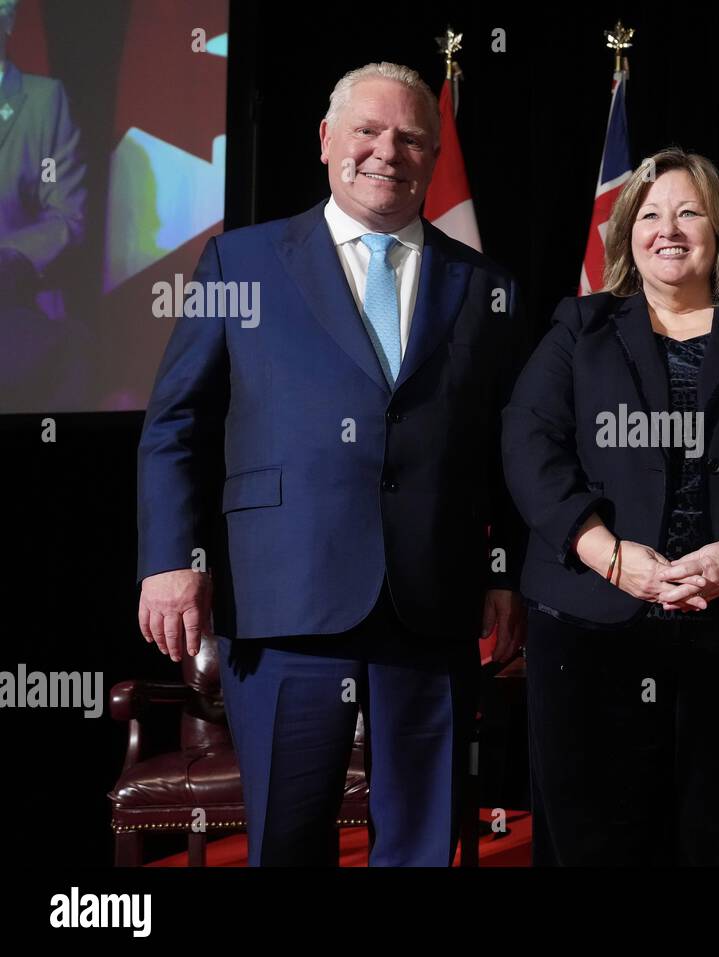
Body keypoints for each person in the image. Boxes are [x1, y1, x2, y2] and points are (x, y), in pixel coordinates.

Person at [135, 62, 526, 866]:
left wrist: (504, 568)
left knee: (423, 843)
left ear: (433, 154)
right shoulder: (236, 264)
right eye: (368, 131)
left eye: (411, 136)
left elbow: (508, 440)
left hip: (433, 602)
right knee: (285, 837)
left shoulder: (485, 285)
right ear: (325, 142)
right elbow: (178, 422)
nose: (389, 150)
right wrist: (170, 559)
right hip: (285, 597)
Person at [503, 147, 719, 865]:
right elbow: (528, 443)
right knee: (590, 845)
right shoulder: (581, 324)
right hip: (590, 628)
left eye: (689, 211)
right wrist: (609, 555)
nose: (670, 227)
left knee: (717, 839)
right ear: (627, 231)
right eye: (651, 213)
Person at [0, 0, 89, 410]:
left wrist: (10, 257)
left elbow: (65, 216)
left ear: (10, 20)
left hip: (17, 315)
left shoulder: (42, 101)